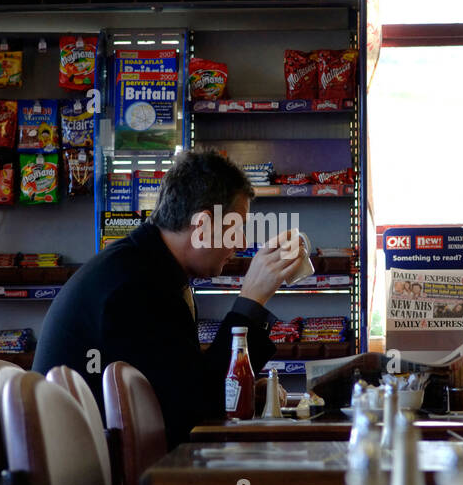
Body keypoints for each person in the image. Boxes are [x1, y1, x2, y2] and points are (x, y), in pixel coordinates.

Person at [33, 150, 298, 446]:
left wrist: (242, 389)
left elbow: (188, 384)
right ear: (203, 225)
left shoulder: (148, 267)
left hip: (113, 461)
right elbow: (195, 407)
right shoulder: (134, 285)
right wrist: (251, 301)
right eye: (235, 228)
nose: (241, 243)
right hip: (97, 482)